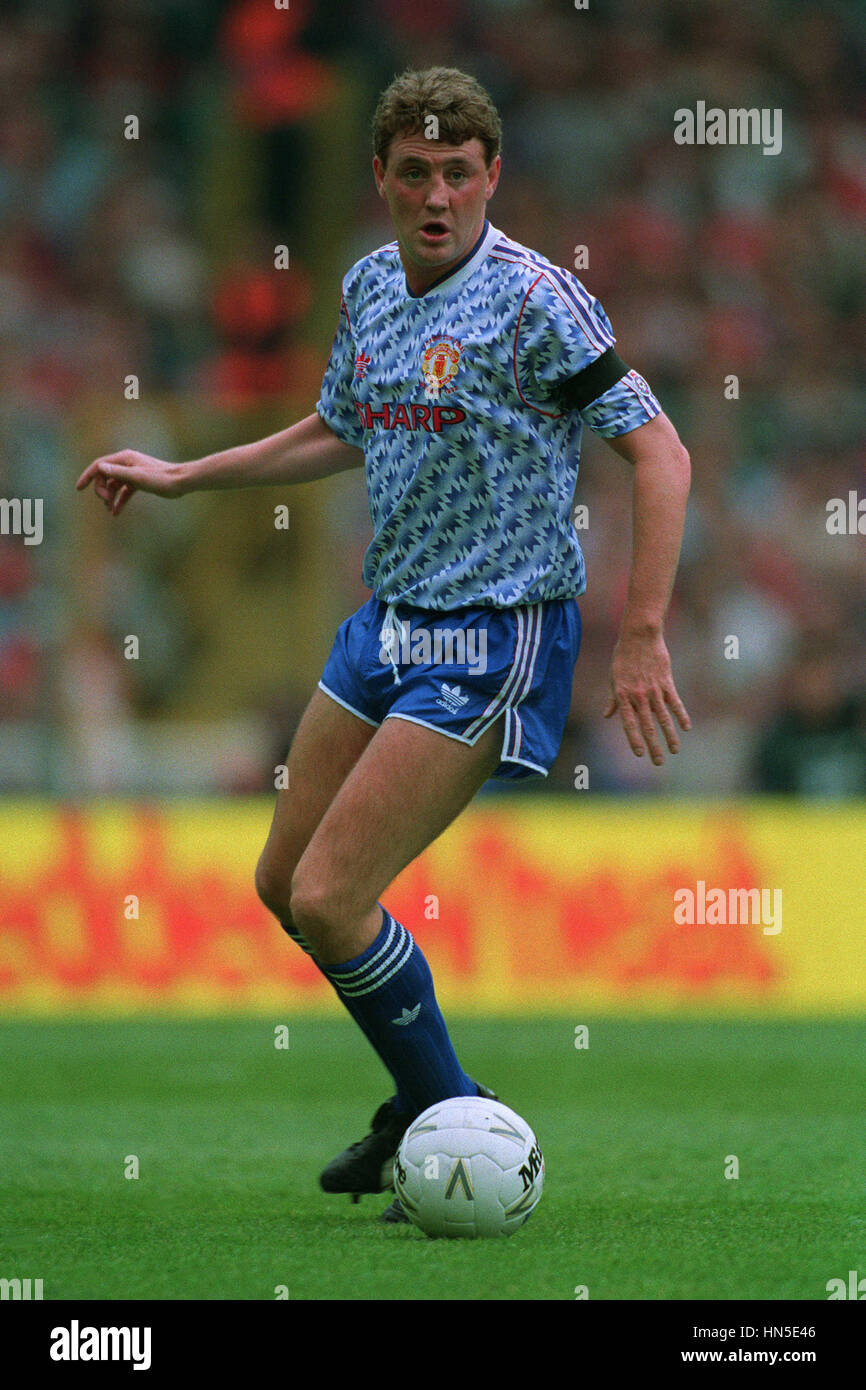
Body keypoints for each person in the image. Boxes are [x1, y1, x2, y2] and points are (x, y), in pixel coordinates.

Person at [77, 66, 691, 1223]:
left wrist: (642, 634)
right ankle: (425, 1103)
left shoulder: (535, 301)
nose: (437, 195)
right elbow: (339, 427)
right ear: (380, 179)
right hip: (384, 625)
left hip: (489, 634)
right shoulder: (367, 286)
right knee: (280, 883)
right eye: (415, 173)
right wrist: (184, 474)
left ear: (489, 177)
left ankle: (450, 1120)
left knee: (331, 898)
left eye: (459, 173)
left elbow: (658, 454)